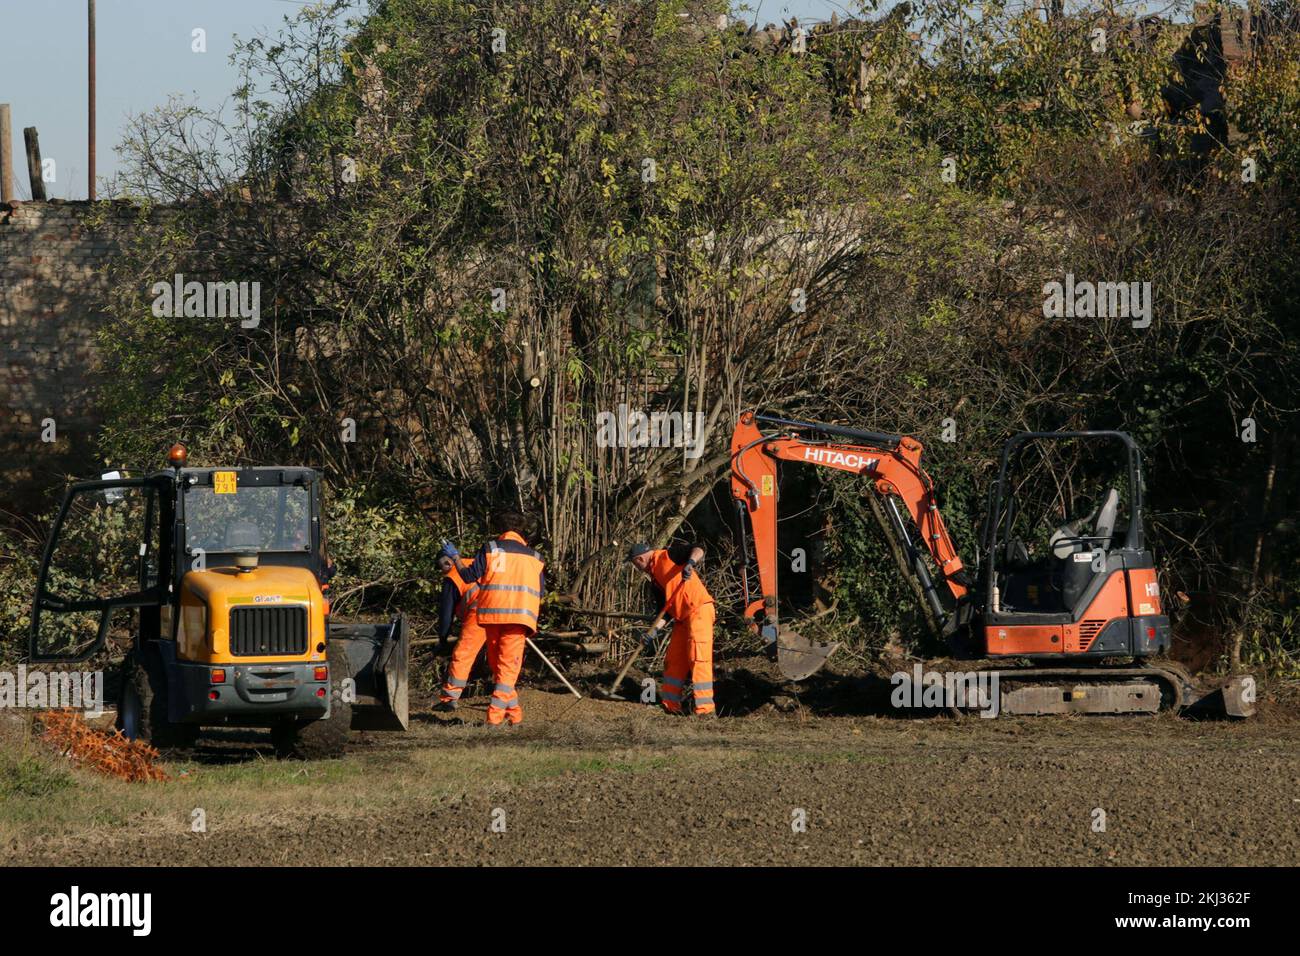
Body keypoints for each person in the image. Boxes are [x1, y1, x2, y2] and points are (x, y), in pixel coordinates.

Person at [458, 511, 545, 726]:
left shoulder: (491, 549)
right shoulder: (535, 557)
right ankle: (500, 718)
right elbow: (541, 591)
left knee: (499, 666)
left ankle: (505, 717)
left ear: (501, 529)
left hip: (492, 615)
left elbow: (469, 576)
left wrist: (455, 559)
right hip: (518, 618)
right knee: (506, 668)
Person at [626, 541, 716, 717]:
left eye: (634, 563)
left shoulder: (669, 555)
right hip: (682, 618)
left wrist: (690, 563)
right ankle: (670, 706)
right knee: (673, 661)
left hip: (698, 610)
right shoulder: (655, 582)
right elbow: (664, 613)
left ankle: (705, 711)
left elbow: (698, 549)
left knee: (698, 658)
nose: (635, 567)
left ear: (640, 559)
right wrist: (652, 632)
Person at [434, 540, 487, 711]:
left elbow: (446, 613)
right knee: (502, 654)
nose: (442, 573)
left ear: (447, 562)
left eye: (440, 567)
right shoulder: (474, 562)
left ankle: (450, 699)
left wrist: (442, 639)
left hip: (479, 613)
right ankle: (506, 700)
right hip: (504, 609)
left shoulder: (452, 577)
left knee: (463, 654)